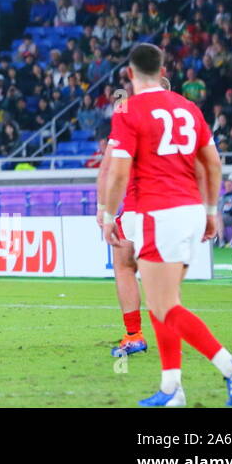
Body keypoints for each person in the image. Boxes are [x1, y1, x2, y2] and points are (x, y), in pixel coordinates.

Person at [100, 44, 232, 407]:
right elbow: (213, 164)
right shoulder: (188, 107)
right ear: (163, 68)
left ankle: (229, 364)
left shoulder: (128, 109)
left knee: (164, 306)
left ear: (130, 74)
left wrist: (108, 215)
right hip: (189, 210)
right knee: (165, 303)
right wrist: (212, 210)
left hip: (158, 213)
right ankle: (171, 390)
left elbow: (118, 170)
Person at [94, 93, 147, 359]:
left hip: (139, 208)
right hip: (177, 211)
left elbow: (108, 171)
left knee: (125, 267)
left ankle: (134, 335)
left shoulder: (129, 118)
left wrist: (104, 211)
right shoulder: (185, 114)